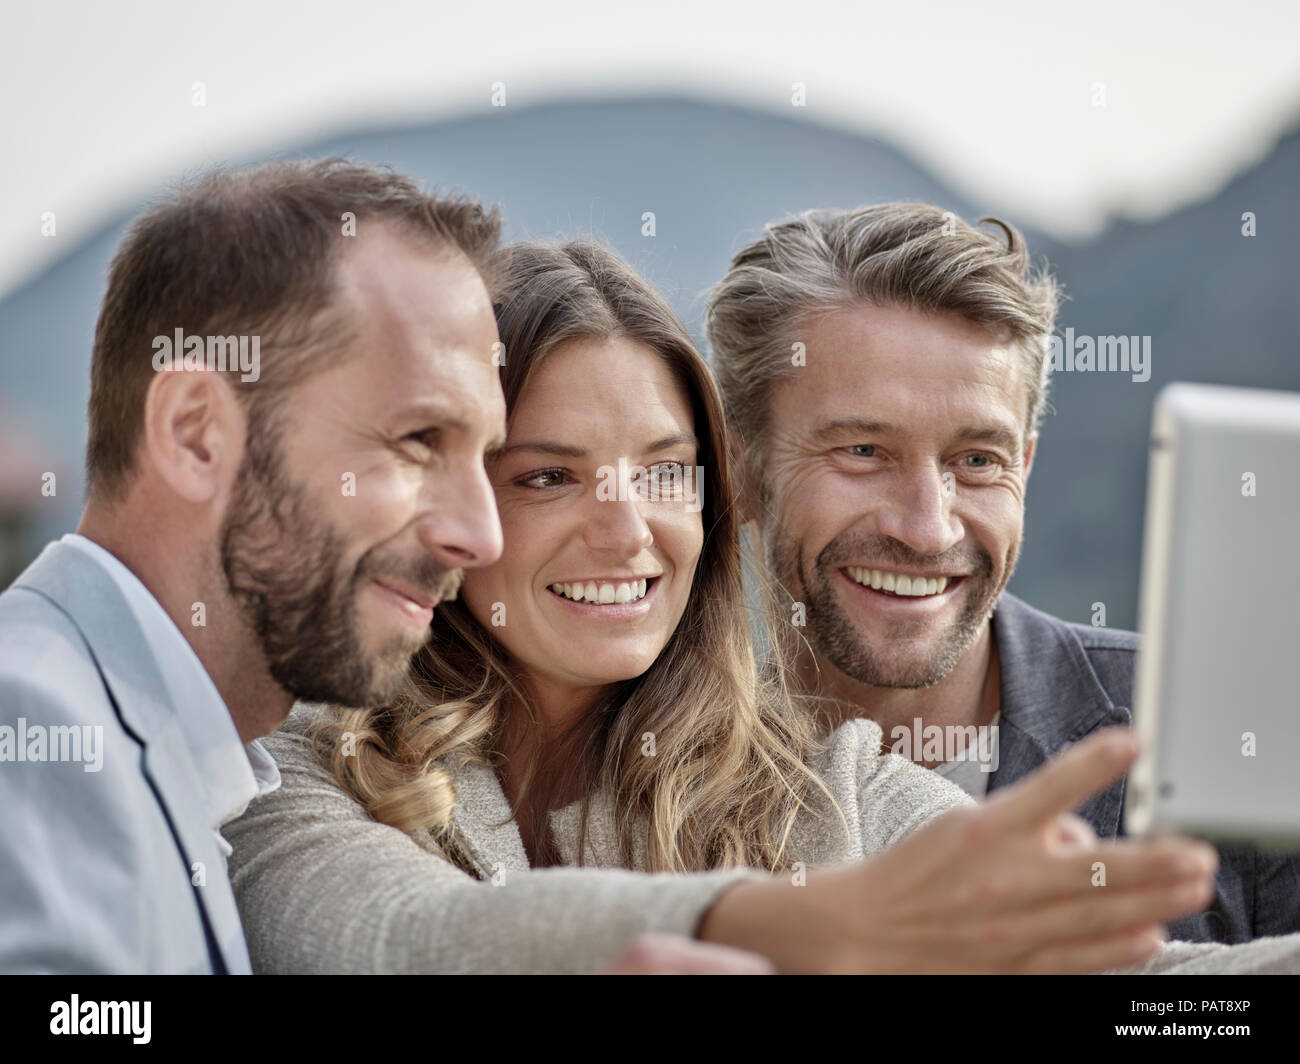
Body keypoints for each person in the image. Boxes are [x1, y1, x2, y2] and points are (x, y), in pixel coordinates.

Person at [224, 238, 1288, 975]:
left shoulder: (831, 783)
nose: (625, 528)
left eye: (665, 470)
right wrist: (794, 925)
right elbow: (411, 942)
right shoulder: (295, 769)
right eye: (547, 474)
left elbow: (1145, 991)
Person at [703, 202, 1300, 944]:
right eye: (862, 451)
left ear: (1025, 467)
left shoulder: (1225, 738)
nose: (927, 527)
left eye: (976, 461)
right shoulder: (657, 793)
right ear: (740, 472)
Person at [0, 158, 508, 973]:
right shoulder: (36, 734)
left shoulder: (180, 753)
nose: (483, 537)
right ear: (196, 434)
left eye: (488, 455)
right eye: (420, 441)